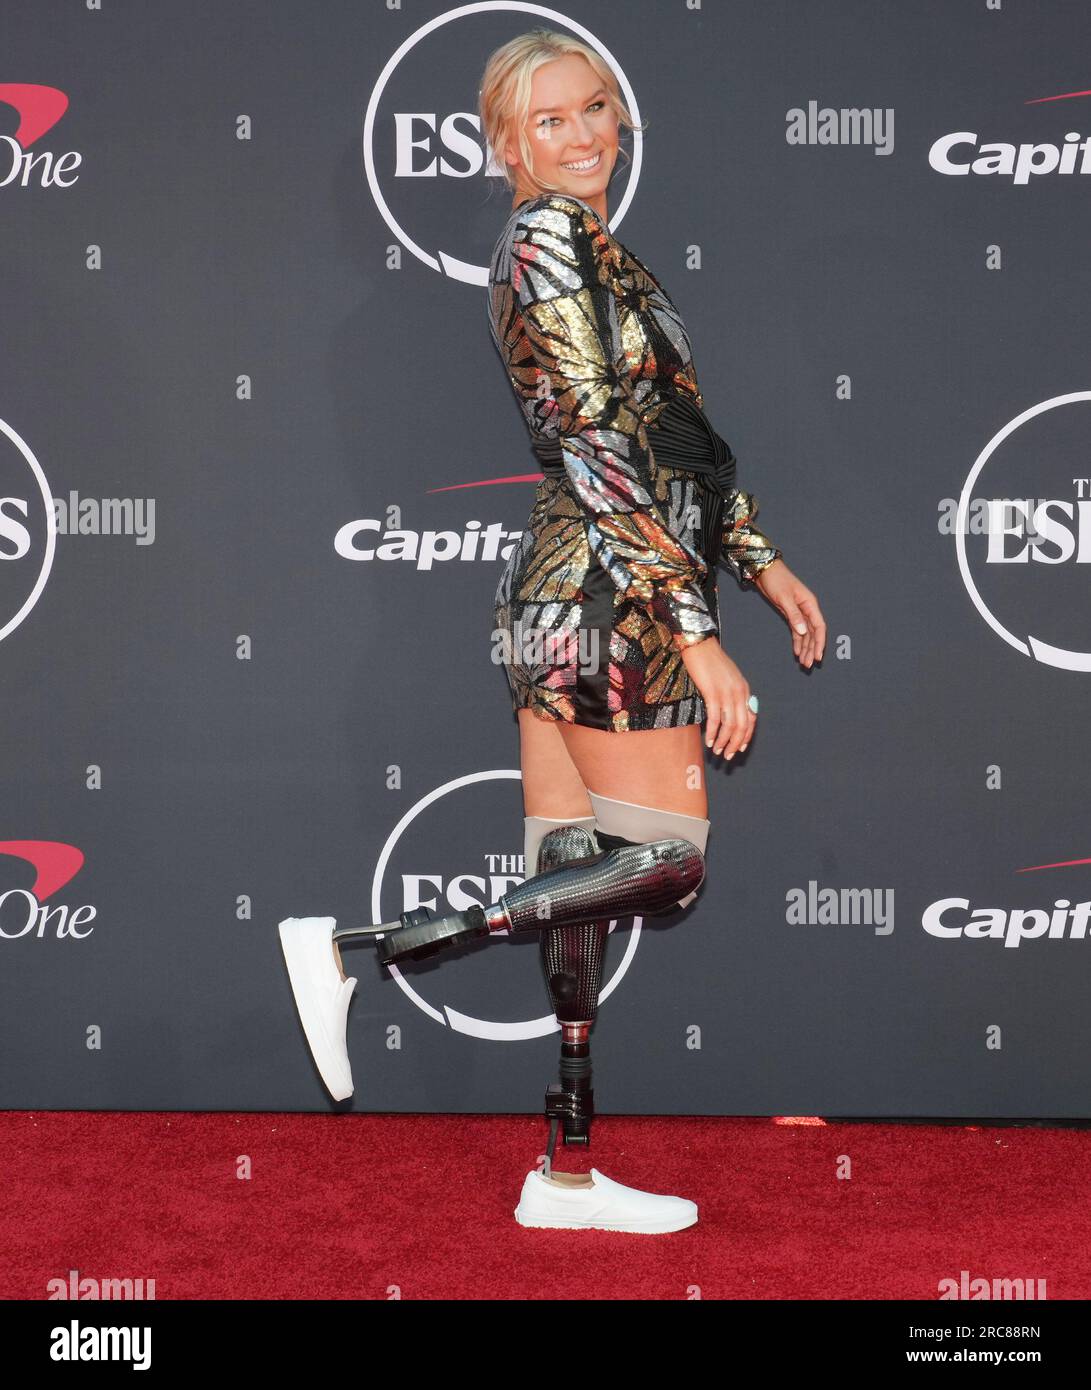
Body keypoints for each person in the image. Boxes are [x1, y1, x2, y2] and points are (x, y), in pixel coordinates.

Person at [279, 28, 826, 1236]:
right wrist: (692, 627)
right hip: (610, 601)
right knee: (668, 861)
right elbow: (592, 438)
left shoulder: (596, 249)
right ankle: (364, 946)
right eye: (549, 121)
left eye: (594, 110)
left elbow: (676, 433)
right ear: (504, 146)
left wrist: (758, 555)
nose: (580, 136)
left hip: (563, 595)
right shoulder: (547, 238)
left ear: (617, 119)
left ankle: (564, 1174)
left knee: (571, 877)